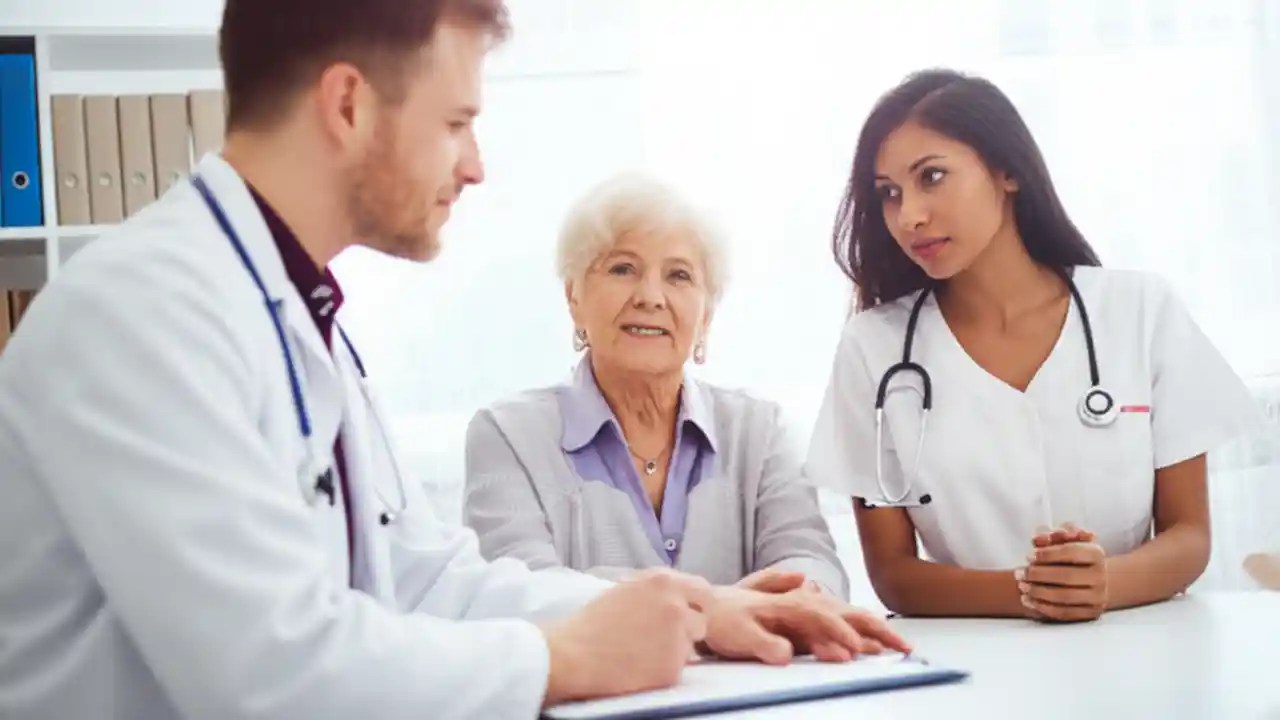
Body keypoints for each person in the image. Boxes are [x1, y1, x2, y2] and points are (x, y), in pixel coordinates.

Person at [0, 3, 908, 719]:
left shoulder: (294, 316)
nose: (475, 166)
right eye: (457, 122)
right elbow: (265, 672)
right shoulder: (146, 312)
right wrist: (568, 656)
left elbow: (428, 577)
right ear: (349, 105)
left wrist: (698, 614)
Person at [805, 69, 1262, 622]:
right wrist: (1036, 590)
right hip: (974, 673)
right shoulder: (872, 349)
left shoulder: (1139, 310)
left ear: (1008, 172)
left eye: (932, 177)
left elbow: (1189, 536)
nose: (909, 216)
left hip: (1139, 646)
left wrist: (1105, 584)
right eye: (890, 194)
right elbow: (895, 576)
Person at [464, 174, 848, 598]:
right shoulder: (508, 435)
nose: (650, 296)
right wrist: (720, 609)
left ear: (706, 315)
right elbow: (519, 594)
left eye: (679, 276)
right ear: (574, 296)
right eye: (623, 269)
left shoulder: (761, 430)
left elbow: (815, 569)